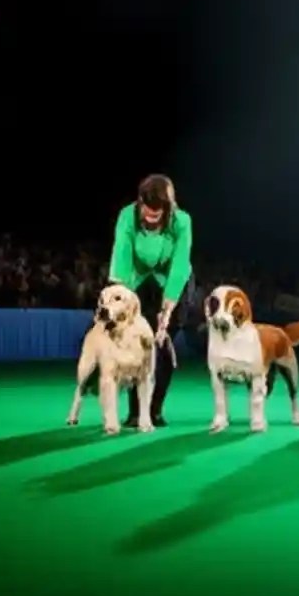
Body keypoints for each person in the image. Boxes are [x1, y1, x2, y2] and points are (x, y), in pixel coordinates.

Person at [108, 174, 193, 427]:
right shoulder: (127, 216)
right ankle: (135, 412)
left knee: (162, 344)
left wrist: (167, 309)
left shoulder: (182, 221)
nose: (151, 218)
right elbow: (121, 256)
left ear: (169, 207)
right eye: (147, 212)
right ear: (140, 202)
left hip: (173, 282)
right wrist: (120, 299)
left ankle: (155, 409)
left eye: (158, 214)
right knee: (135, 344)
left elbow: (179, 264)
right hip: (138, 282)